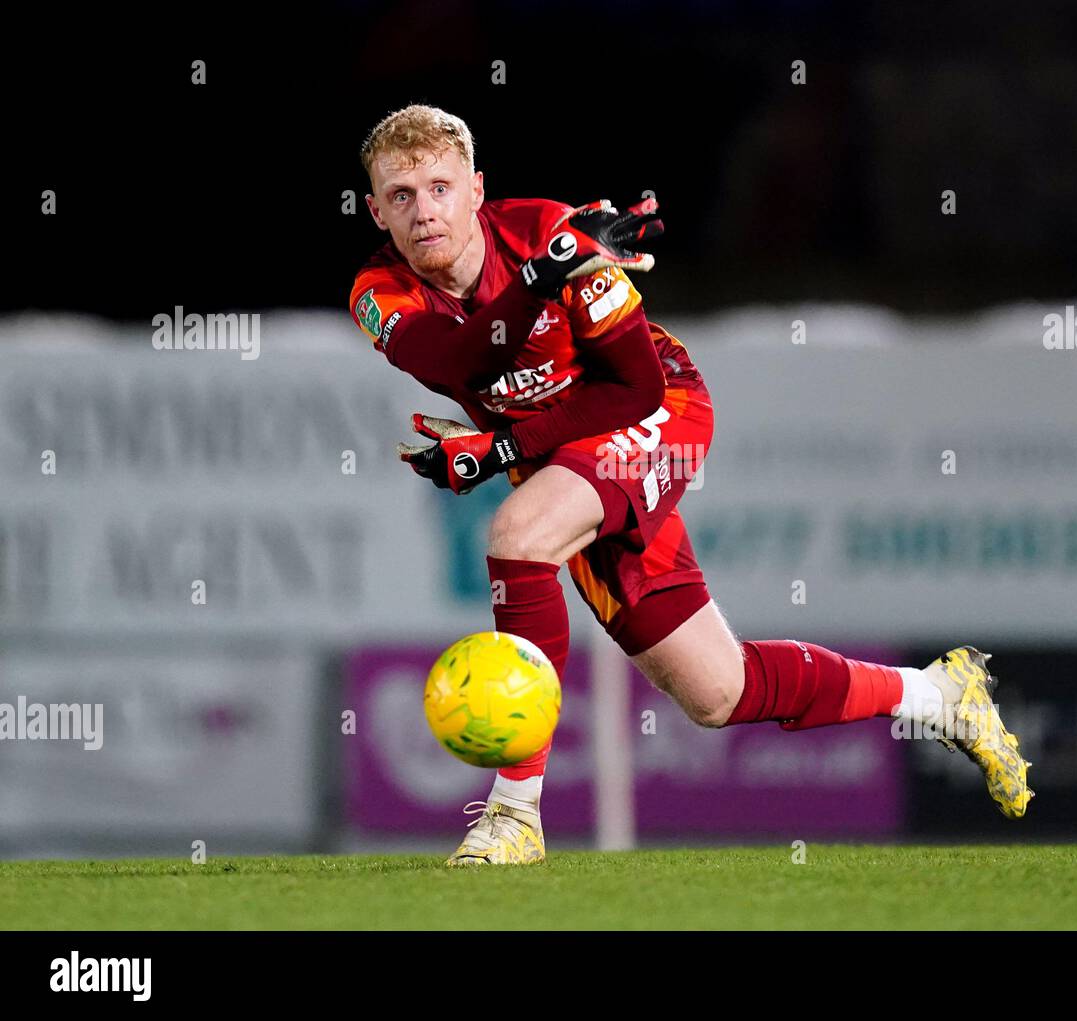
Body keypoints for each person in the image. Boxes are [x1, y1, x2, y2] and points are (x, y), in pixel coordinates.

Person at [349, 105, 1033, 866]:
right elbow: (462, 364)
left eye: (440, 187)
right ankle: (937, 694)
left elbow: (634, 388)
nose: (424, 211)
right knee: (718, 692)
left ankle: (515, 816)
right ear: (375, 209)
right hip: (564, 456)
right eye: (401, 196)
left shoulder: (547, 232)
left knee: (517, 535)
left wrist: (502, 441)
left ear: (476, 191)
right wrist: (532, 338)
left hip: (661, 408)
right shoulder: (380, 291)